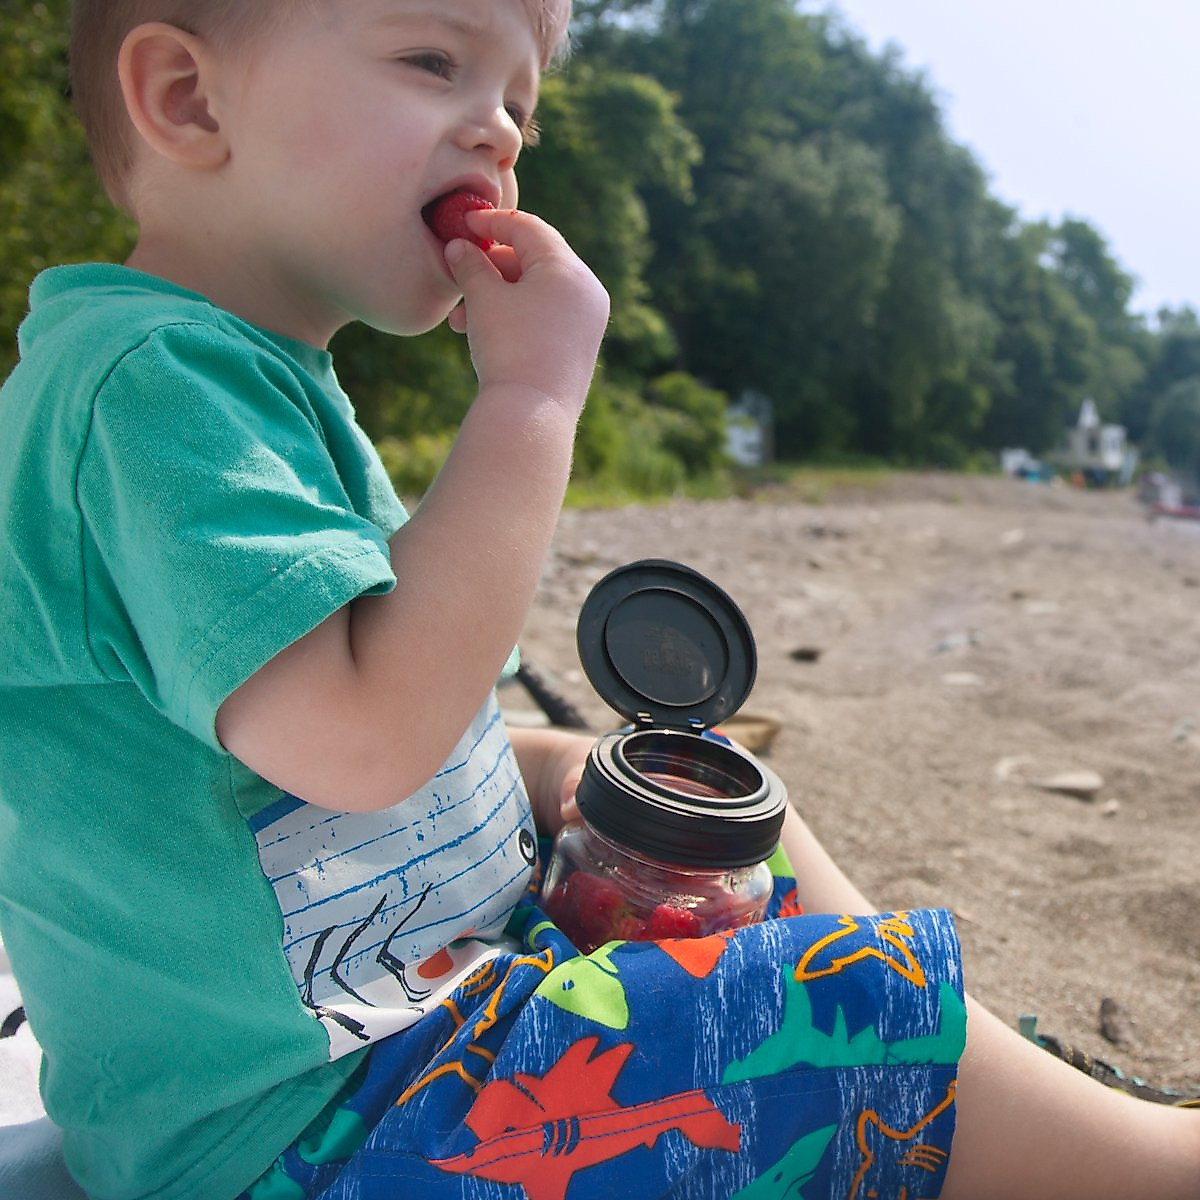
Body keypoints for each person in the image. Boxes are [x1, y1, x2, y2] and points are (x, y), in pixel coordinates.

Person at [0, 1, 1196, 1198]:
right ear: (188, 99)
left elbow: (287, 732)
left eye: (520, 101)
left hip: (410, 1030)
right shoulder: (148, 391)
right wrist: (529, 401)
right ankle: (1134, 1167)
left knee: (713, 812)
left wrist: (547, 760)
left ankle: (1023, 1113)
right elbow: (361, 739)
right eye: (434, 61)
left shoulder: (249, 380)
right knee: (844, 1018)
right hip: (304, 1131)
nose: (500, 134)